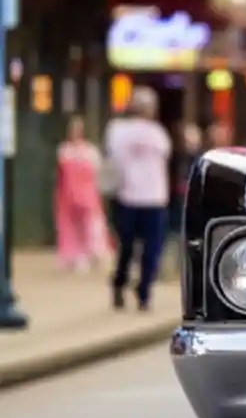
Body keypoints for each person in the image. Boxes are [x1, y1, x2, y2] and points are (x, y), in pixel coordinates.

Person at [105, 87, 172, 311]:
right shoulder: (120, 130)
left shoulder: (157, 133)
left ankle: (143, 291)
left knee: (145, 249)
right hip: (131, 196)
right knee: (129, 248)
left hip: (151, 197)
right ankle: (123, 283)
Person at [54, 116, 110, 272]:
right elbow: (61, 176)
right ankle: (74, 256)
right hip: (68, 195)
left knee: (92, 224)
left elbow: (97, 174)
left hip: (88, 195)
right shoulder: (64, 150)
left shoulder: (91, 151)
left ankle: (94, 253)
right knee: (70, 226)